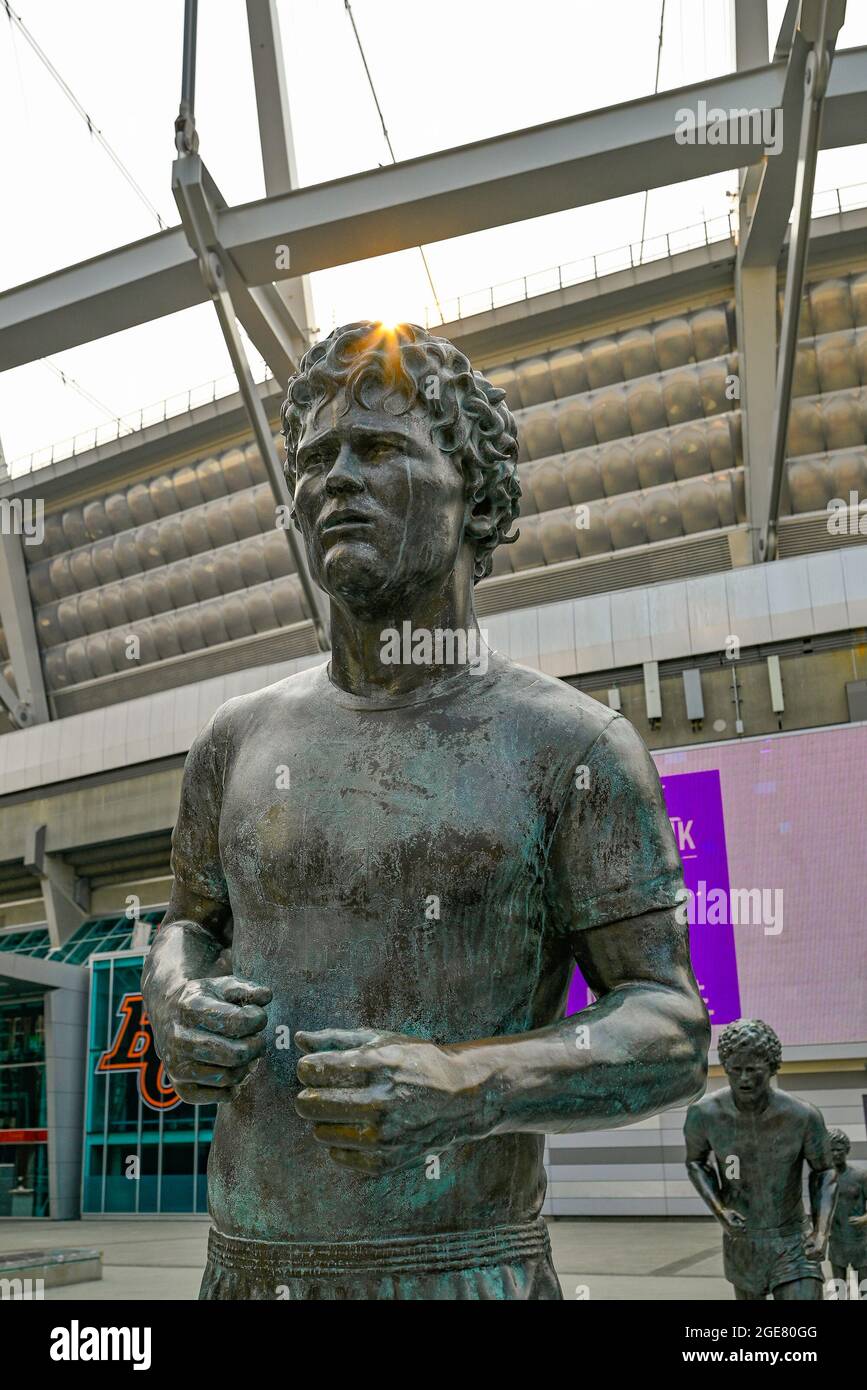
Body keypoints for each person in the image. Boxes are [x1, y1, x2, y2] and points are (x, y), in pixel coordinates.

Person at [142, 321, 709, 1301]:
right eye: (315, 459)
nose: (335, 480)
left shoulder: (571, 748)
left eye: (380, 449)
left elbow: (669, 1025)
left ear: (472, 489)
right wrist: (175, 998)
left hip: (459, 1273)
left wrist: (466, 1085)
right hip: (244, 1271)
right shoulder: (234, 741)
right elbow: (190, 925)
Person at [685, 1018, 837, 1300]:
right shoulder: (704, 1115)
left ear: (772, 1068)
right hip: (743, 1242)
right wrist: (719, 1209)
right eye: (736, 1070)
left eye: (753, 1070)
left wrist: (821, 1231)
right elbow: (696, 1162)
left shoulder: (802, 1117)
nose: (744, 1079)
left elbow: (825, 1172)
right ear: (725, 1066)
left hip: (792, 1240)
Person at [827, 1127, 867, 1299]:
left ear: (847, 1150)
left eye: (839, 1150)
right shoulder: (823, 1178)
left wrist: (865, 1218)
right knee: (839, 1291)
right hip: (836, 1241)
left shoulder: (861, 1176)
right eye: (831, 1150)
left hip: (860, 1242)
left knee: (865, 1289)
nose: (835, 1154)